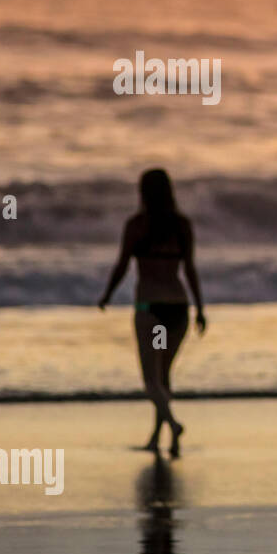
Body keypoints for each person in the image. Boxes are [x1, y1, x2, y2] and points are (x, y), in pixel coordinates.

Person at [98, 169, 206, 456]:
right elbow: (190, 269)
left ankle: (173, 424)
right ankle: (160, 439)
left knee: (151, 381)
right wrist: (201, 309)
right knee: (164, 377)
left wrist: (107, 294)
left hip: (150, 311)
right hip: (179, 308)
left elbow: (122, 265)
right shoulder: (181, 225)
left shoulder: (136, 225)